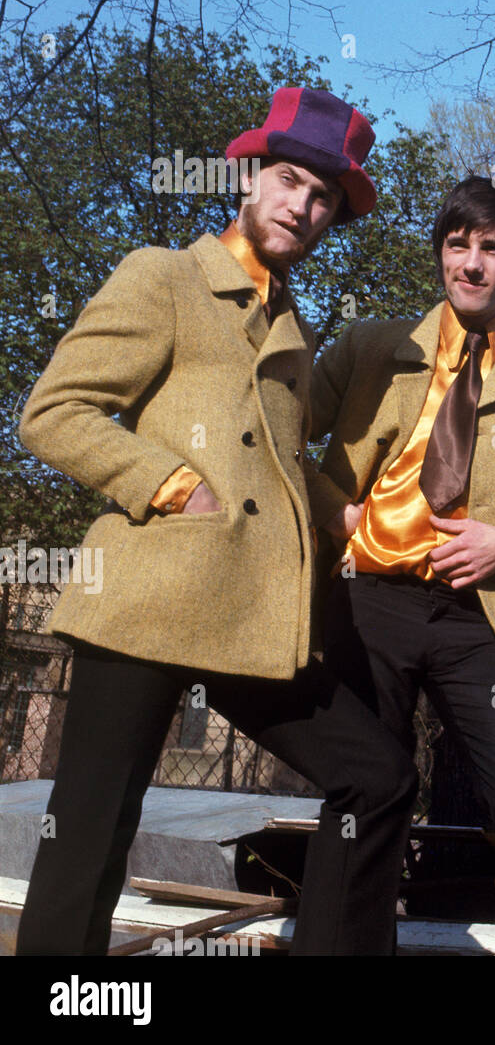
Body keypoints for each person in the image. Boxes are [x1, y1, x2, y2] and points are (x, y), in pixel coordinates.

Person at [16, 87, 419, 955]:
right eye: (289, 181)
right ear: (249, 178)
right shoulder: (164, 275)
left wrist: (348, 516)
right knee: (89, 833)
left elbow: (275, 468)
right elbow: (54, 410)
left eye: (322, 198)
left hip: (249, 614)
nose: (304, 207)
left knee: (377, 775)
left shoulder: (292, 324)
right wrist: (170, 484)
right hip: (150, 601)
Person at [308, 176, 495, 956]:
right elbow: (270, 433)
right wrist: (335, 510)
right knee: (365, 793)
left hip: (488, 613)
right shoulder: (372, 348)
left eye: (492, 247)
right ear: (440, 253)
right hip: (368, 599)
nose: (471, 263)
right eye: (457, 244)